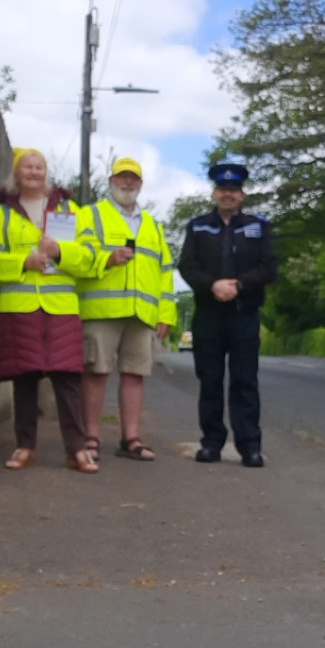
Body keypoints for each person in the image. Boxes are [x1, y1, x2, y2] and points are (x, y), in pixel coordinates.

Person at [0, 148, 105, 473]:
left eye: (39, 166)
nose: (33, 171)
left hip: (61, 308)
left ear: (47, 173)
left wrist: (60, 250)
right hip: (20, 307)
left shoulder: (72, 211)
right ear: (16, 175)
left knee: (67, 379)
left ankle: (77, 450)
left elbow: (90, 256)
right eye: (27, 167)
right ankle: (25, 446)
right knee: (25, 379)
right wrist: (22, 262)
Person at [76, 157, 177, 462]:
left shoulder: (153, 226)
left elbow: (164, 271)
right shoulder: (90, 215)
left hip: (141, 314)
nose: (128, 182)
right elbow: (74, 255)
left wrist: (166, 314)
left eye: (134, 178)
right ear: (111, 181)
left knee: (134, 375)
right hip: (101, 309)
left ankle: (130, 439)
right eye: (122, 177)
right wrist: (106, 258)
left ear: (141, 184)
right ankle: (90, 438)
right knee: (96, 373)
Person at [178, 162, 278, 467]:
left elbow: (268, 266)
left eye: (233, 190)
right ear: (214, 192)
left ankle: (249, 446)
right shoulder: (197, 226)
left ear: (241, 194)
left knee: (245, 381)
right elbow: (187, 266)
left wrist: (239, 285)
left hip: (244, 313)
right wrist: (213, 285)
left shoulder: (259, 226)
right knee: (210, 381)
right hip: (208, 314)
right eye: (223, 189)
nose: (228, 194)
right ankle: (211, 443)